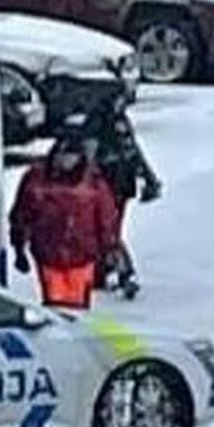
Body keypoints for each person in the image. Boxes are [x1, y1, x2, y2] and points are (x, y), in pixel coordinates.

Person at [9, 137, 121, 310]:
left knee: (77, 307)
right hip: (49, 254)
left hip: (82, 255)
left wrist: (109, 249)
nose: (65, 161)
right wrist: (19, 247)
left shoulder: (94, 182)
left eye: (71, 156)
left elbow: (106, 218)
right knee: (55, 305)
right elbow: (21, 215)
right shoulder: (35, 179)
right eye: (62, 155)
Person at [76, 84, 161, 298]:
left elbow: (132, 150)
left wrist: (148, 177)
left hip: (120, 183)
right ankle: (119, 271)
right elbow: (90, 154)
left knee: (108, 230)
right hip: (104, 184)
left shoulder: (118, 119)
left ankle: (108, 270)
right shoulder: (98, 122)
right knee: (106, 231)